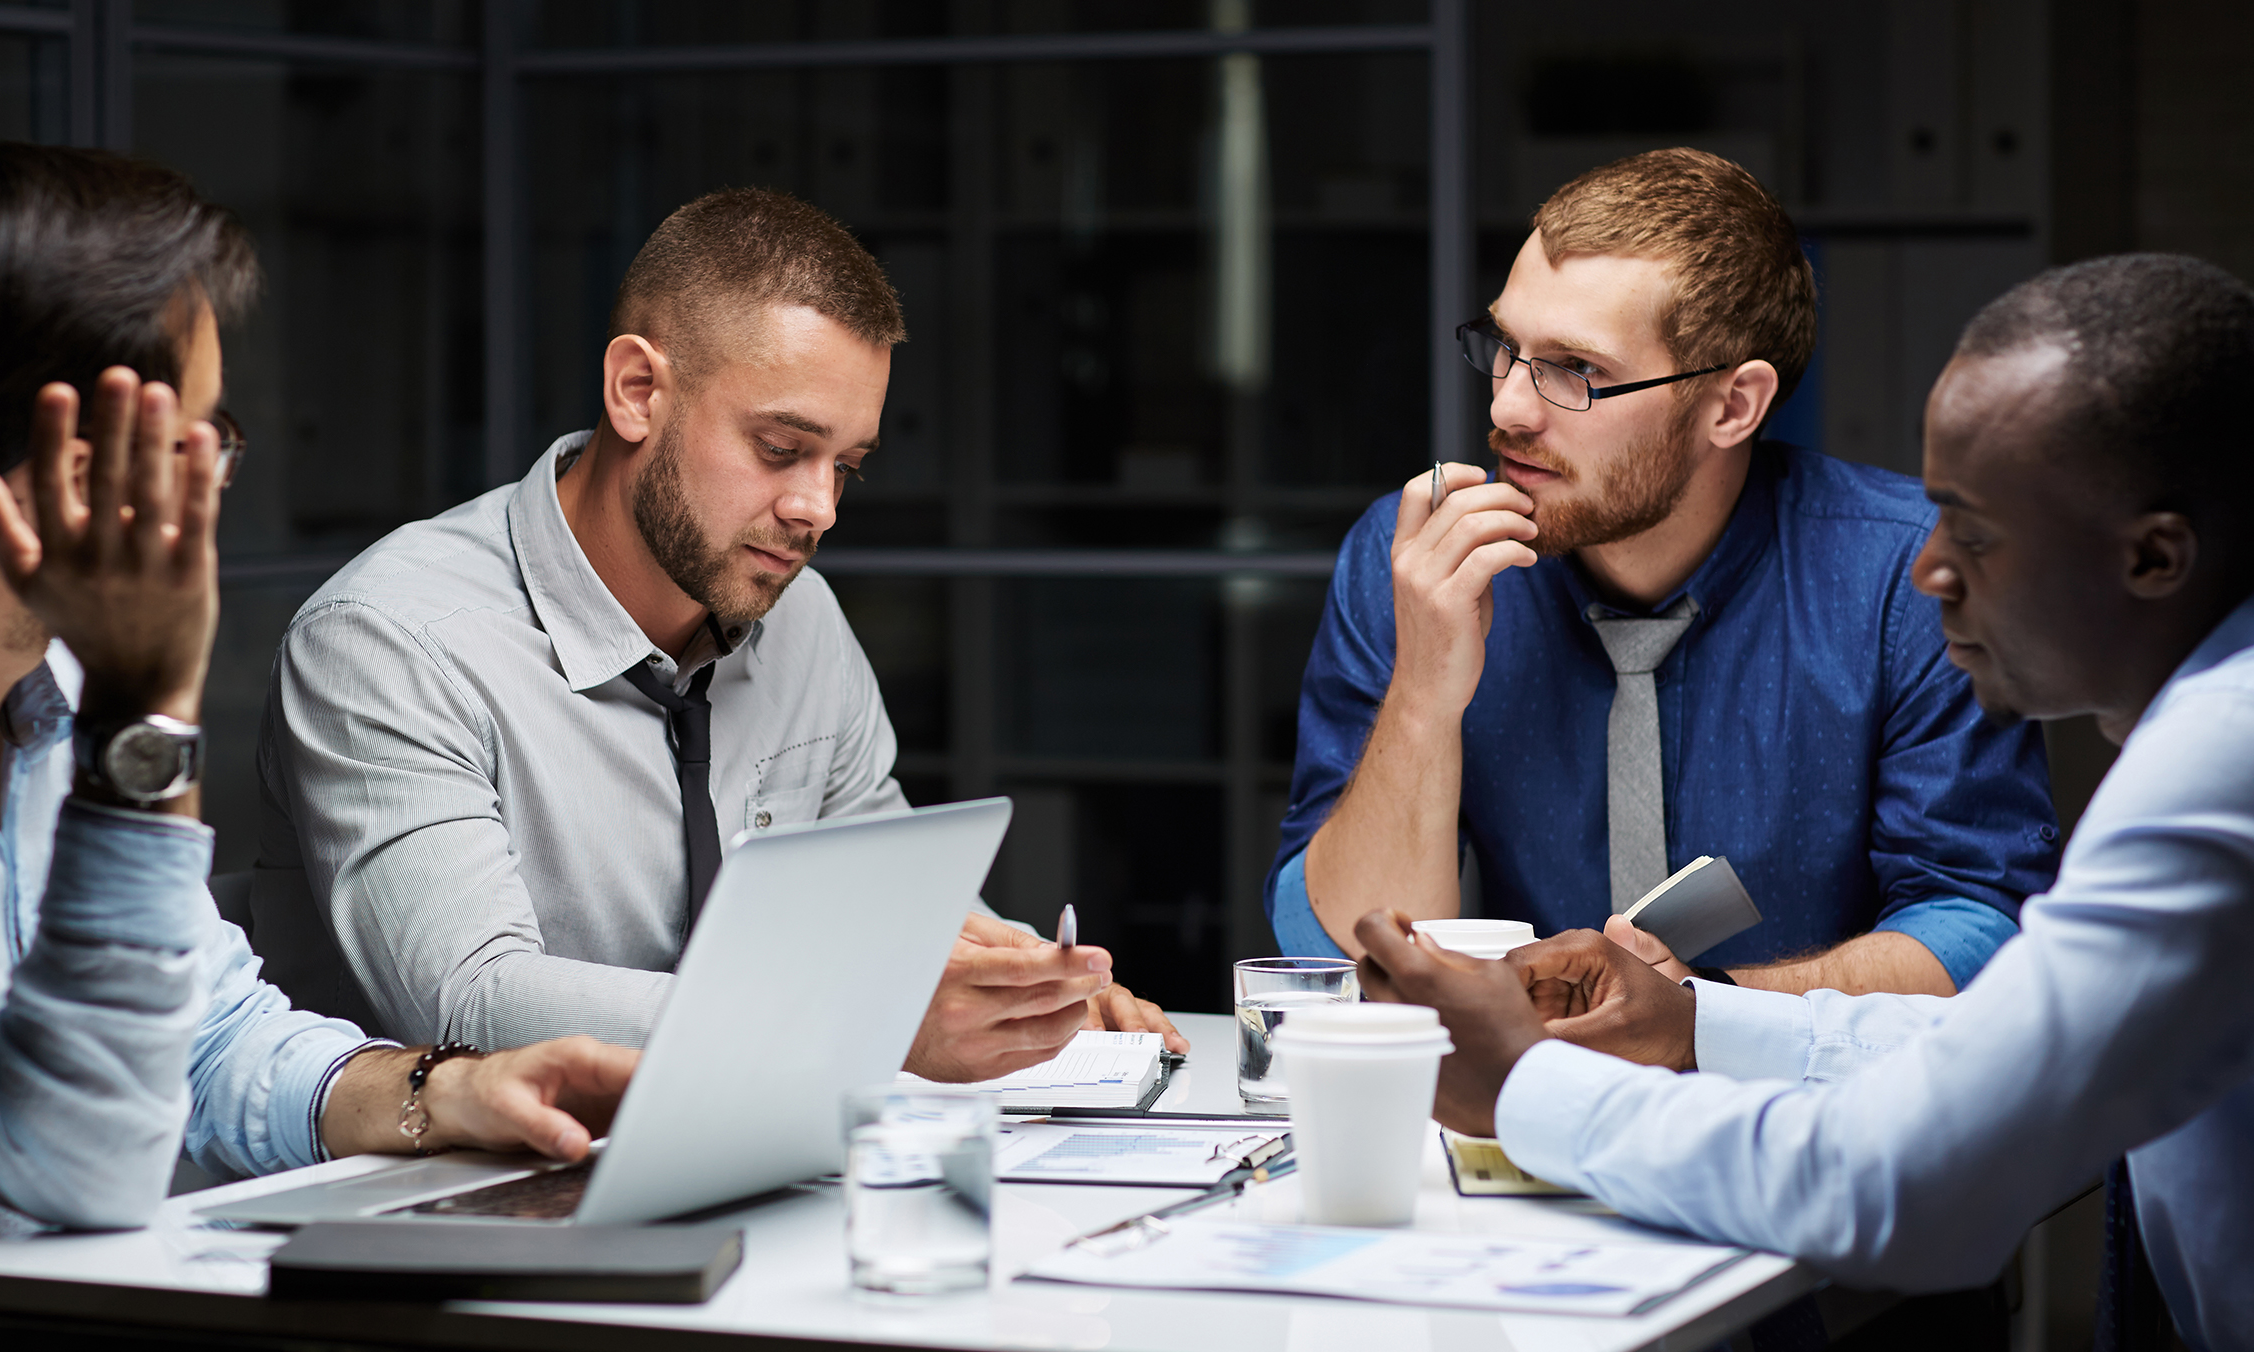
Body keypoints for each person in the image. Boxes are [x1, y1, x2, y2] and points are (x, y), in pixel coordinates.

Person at [1351, 254, 2254, 1351]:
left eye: (1970, 528)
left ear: (2153, 557)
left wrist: (1526, 1085)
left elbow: (1899, 1189)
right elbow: (1991, 1045)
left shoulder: (2214, 770)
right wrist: (1693, 1019)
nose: (1926, 569)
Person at [0, 145, 635, 1351]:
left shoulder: (51, 700)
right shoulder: (83, 719)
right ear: (66, 468)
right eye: (197, 434)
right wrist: (145, 707)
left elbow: (203, 1031)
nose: (214, 470)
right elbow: (76, 1146)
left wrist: (445, 1090)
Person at [250, 188, 1184, 1078]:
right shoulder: (387, 640)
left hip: (743, 1164)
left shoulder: (796, 612)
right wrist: (865, 1018)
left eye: (846, 467)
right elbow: (467, 1001)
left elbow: (891, 894)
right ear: (635, 391)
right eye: (781, 449)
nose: (816, 510)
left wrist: (1028, 993)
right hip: (435, 1204)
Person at [1271, 148, 2058, 996]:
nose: (1506, 408)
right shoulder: (1422, 555)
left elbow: (1979, 924)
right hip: (1516, 1111)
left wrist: (1697, 1019)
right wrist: (1424, 690)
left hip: (1811, 1104)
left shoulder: (1905, 575)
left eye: (1577, 370)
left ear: (1732, 405)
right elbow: (1338, 943)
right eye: (1506, 346)